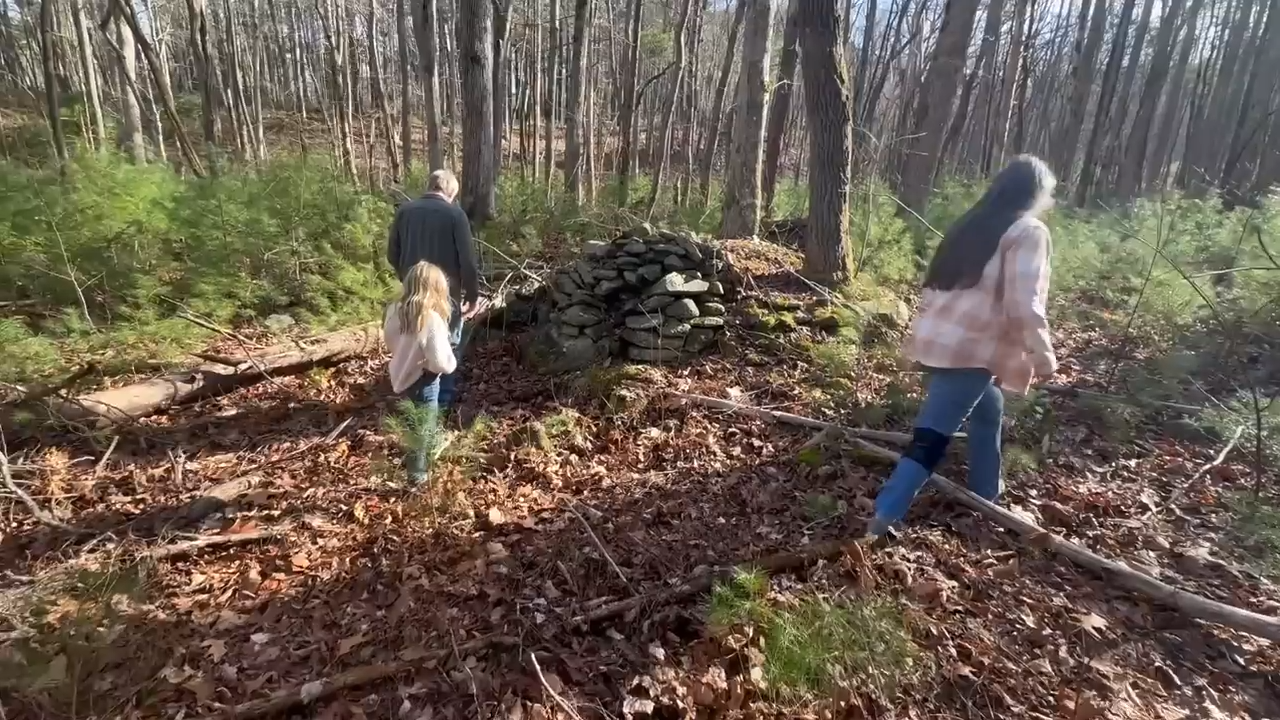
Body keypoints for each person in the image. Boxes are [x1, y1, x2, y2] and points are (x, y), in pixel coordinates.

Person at [865, 154, 1060, 540]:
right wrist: (1043, 354)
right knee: (932, 437)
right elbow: (1025, 304)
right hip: (970, 352)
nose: (1051, 202)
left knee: (989, 408)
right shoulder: (1028, 231)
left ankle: (987, 493)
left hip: (938, 342)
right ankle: (883, 518)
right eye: (1050, 194)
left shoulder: (973, 224)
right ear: (1035, 193)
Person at [386, 169, 479, 413]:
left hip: (412, 292)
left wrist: (406, 279)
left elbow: (392, 253)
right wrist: (472, 294)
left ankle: (413, 401)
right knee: (447, 345)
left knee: (411, 342)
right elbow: (467, 260)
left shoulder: (404, 211)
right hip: (445, 295)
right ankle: (441, 404)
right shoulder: (454, 214)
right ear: (450, 191)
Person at [384, 261, 458, 483]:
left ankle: (422, 463)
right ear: (436, 288)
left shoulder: (394, 310)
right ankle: (417, 478)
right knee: (422, 428)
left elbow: (390, 341)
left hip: (402, 373)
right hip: (425, 379)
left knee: (412, 424)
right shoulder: (430, 319)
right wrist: (450, 363)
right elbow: (441, 361)